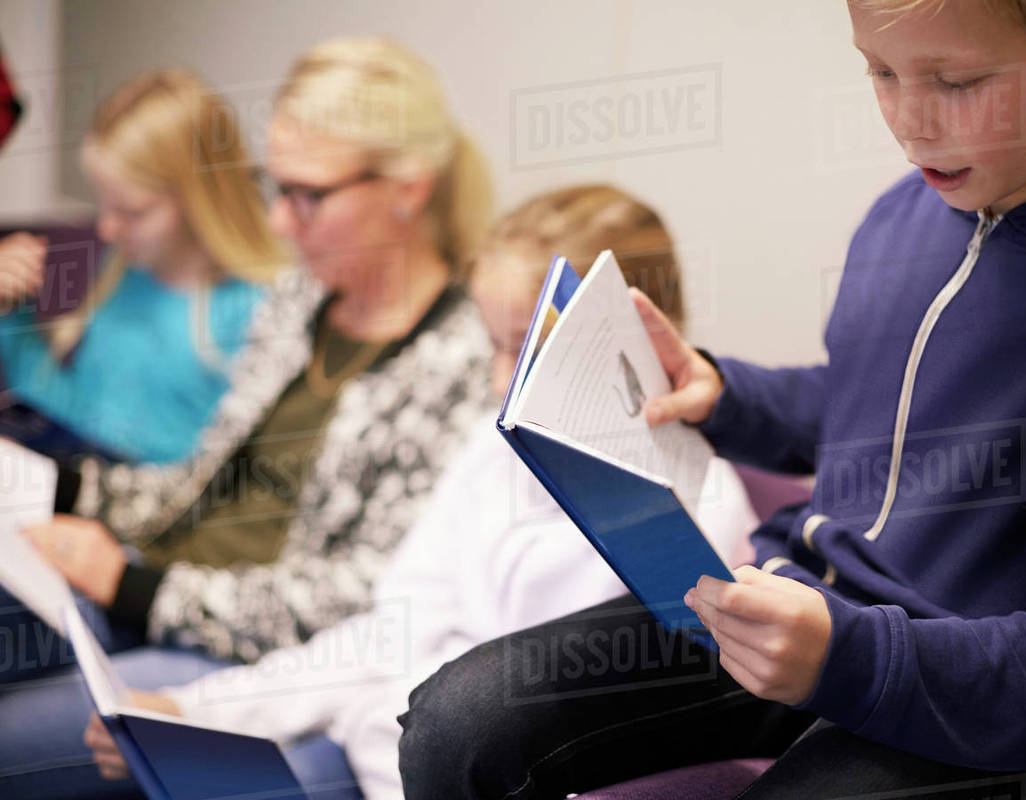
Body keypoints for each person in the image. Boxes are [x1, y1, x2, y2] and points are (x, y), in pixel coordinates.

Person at [395, 2, 1026, 799]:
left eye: (956, 81)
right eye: (880, 72)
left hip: (979, 701)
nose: (910, 122)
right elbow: (868, 413)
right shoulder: (905, 213)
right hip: (801, 599)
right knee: (456, 725)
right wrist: (724, 395)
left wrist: (850, 658)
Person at [79, 183, 761, 800]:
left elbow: (599, 728)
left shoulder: (699, 510)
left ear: (635, 340)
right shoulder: (489, 454)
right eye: (494, 347)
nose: (500, 384)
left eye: (524, 351)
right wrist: (199, 710)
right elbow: (396, 627)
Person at [0, 37, 493, 798]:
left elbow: (370, 603)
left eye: (307, 194)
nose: (279, 221)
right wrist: (60, 492)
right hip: (157, 585)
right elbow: (203, 478)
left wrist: (140, 590)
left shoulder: (464, 360)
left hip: (243, 652)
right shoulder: (304, 300)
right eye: (275, 186)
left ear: (407, 188)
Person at [0, 68, 283, 464]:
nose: (106, 228)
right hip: (74, 480)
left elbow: (223, 486)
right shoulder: (129, 269)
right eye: (103, 203)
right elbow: (74, 414)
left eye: (131, 211)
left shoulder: (253, 309)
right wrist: (11, 311)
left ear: (197, 199)